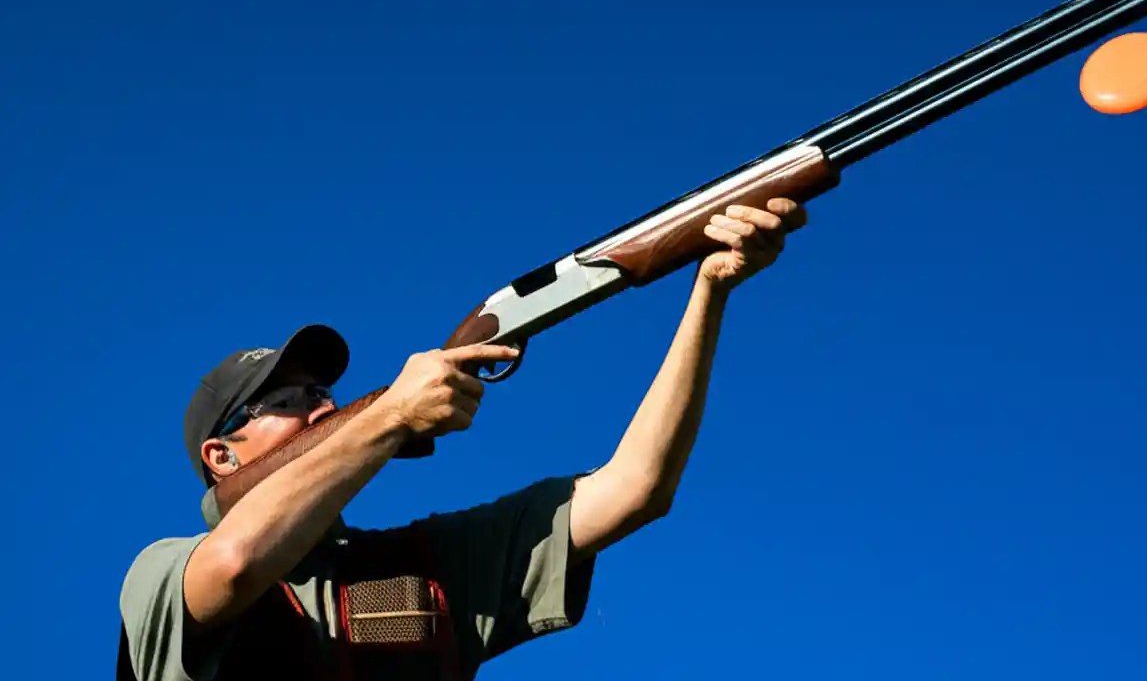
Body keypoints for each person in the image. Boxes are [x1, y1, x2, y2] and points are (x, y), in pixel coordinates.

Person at [117, 198, 809, 680]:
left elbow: (634, 490)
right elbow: (235, 565)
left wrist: (710, 291)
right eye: (291, 400)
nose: (323, 407)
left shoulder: (422, 568)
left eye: (325, 394)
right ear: (222, 455)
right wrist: (389, 416)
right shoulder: (163, 573)